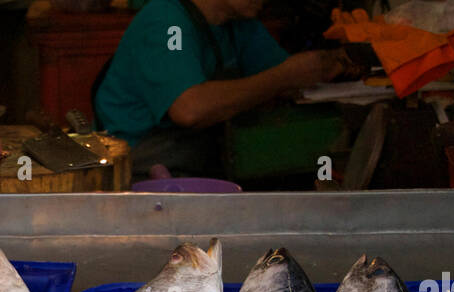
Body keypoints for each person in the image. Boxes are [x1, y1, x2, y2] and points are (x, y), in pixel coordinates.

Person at [95, 0, 352, 177]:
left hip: (202, 160)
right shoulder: (167, 22)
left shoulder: (238, 24)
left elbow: (289, 77)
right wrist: (283, 77)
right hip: (141, 170)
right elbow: (190, 109)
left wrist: (336, 62)